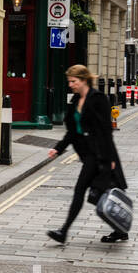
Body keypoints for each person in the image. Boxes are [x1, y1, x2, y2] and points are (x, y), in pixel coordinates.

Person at [45, 65, 129, 244]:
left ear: (83, 80)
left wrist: (110, 159)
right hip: (87, 154)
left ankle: (64, 231)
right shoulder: (75, 100)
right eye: (69, 81)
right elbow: (72, 131)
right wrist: (58, 149)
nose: (71, 85)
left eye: (73, 81)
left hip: (100, 154)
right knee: (101, 194)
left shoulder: (99, 99)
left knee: (86, 191)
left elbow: (106, 130)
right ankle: (119, 230)